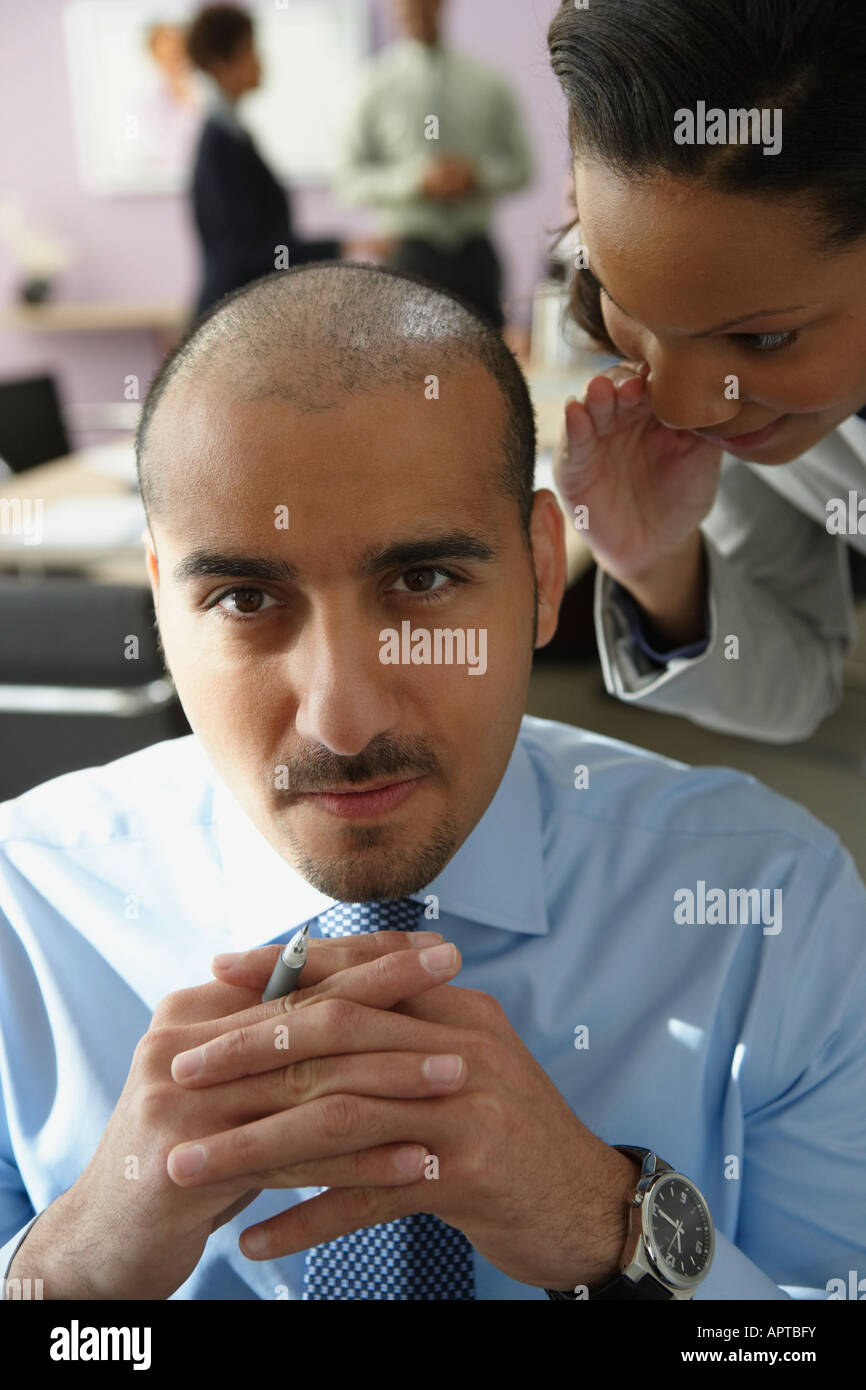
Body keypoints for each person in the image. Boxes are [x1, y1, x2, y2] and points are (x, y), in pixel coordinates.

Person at [1, 263, 864, 1301]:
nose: (341, 717)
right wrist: (69, 1272)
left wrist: (609, 1230)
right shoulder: (24, 913)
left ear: (544, 574)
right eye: (242, 599)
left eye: (420, 583)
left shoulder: (771, 914)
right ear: (162, 603)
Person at [547, 0, 866, 742]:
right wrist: (661, 568)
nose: (684, 406)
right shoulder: (747, 410)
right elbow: (800, 683)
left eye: (764, 338)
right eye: (626, 303)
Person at [332, 0, 532, 331]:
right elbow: (346, 180)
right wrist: (413, 182)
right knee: (406, 371)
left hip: (475, 255)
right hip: (410, 256)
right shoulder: (370, 87)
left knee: (488, 369)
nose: (416, 12)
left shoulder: (489, 82)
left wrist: (478, 177)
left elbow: (523, 167)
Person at [186, 3, 340, 318]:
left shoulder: (235, 136)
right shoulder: (219, 145)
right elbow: (247, 254)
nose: (260, 60)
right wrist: (339, 248)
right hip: (228, 319)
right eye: (250, 50)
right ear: (220, 65)